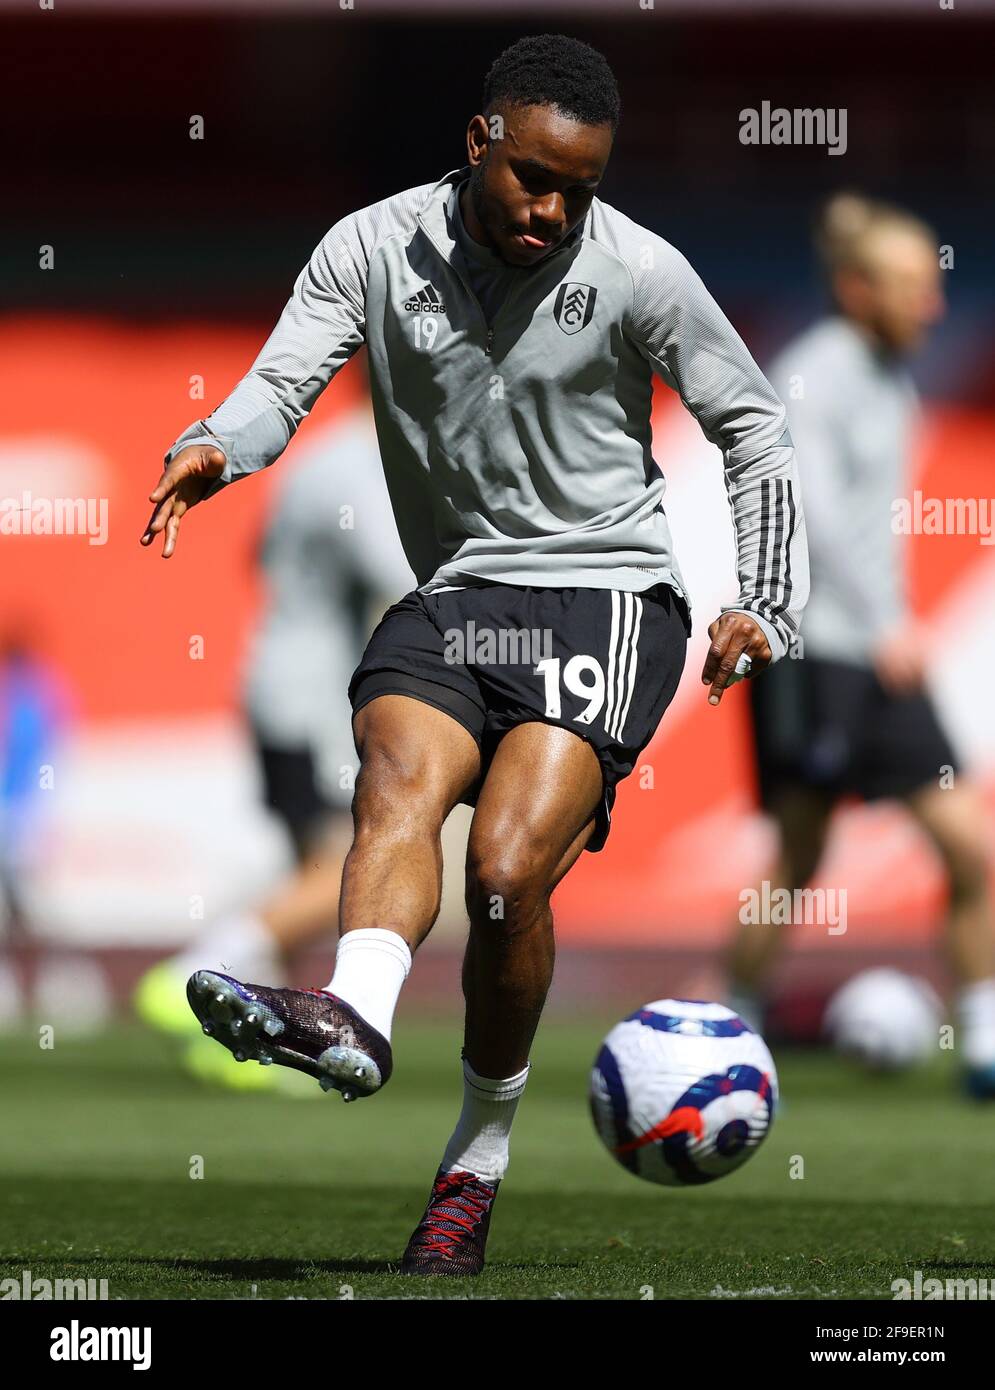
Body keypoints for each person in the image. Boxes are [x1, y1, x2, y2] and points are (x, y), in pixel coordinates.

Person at [141, 34, 808, 1275]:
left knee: (504, 875)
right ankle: (353, 1016)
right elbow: (280, 381)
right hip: (451, 595)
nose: (553, 211)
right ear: (477, 145)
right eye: (533, 181)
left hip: (604, 595)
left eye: (580, 188)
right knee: (394, 777)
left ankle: (473, 1165)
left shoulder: (639, 271)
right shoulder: (367, 246)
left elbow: (754, 428)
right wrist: (214, 444)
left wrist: (761, 600)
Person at [724, 193, 995, 1096]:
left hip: (879, 652)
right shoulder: (816, 370)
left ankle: (985, 1043)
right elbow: (815, 516)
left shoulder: (891, 377)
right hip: (815, 651)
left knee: (969, 849)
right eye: (912, 287)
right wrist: (885, 623)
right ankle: (733, 1019)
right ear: (854, 288)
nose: (931, 306)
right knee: (798, 856)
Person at [134, 392, 413, 1091]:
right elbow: (399, 573)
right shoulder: (363, 464)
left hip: (274, 673)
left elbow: (258, 553)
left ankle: (245, 1041)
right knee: (351, 865)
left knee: (311, 861)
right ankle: (198, 971)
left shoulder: (313, 457)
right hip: (317, 695)